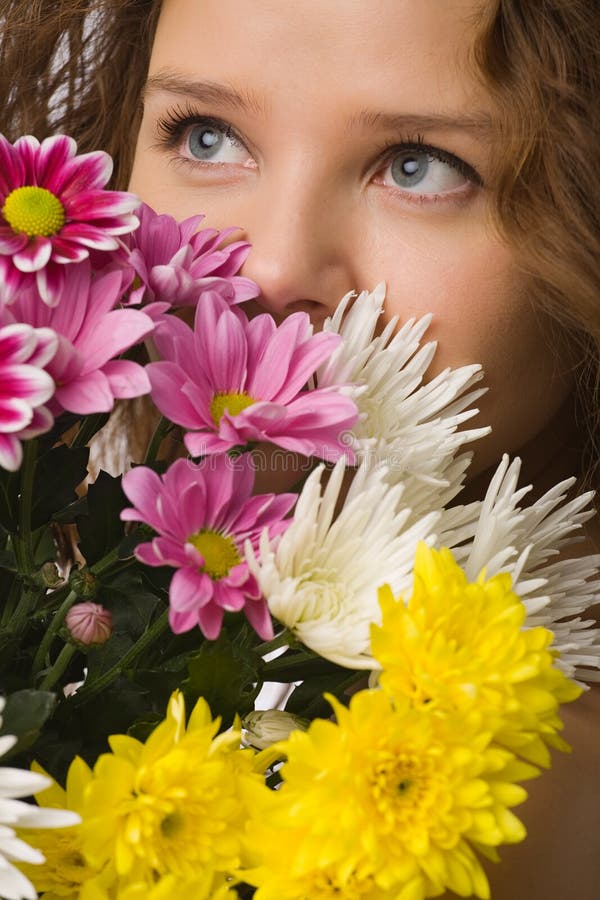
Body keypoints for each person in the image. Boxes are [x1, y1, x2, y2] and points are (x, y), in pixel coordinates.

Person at [1, 1, 599, 896]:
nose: (273, 268)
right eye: (205, 137)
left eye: (420, 165)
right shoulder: (72, 563)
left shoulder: (480, 797)